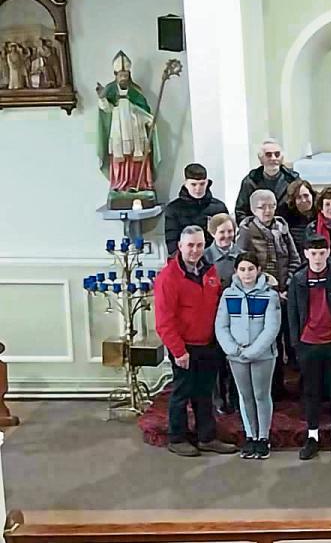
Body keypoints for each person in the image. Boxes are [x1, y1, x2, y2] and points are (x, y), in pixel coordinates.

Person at [154, 226, 237, 457]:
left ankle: (206, 436)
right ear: (180, 246)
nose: (195, 250)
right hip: (184, 347)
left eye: (199, 245)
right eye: (190, 245)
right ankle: (177, 437)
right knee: (181, 393)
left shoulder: (209, 271)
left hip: (208, 344)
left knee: (205, 393)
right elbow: (164, 321)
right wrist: (179, 352)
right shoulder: (168, 278)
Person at [289, 235, 331, 461]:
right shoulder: (298, 280)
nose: (317, 258)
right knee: (311, 391)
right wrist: (296, 344)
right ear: (306, 254)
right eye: (313, 253)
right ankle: (313, 435)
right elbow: (292, 316)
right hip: (309, 343)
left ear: (328, 253)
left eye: (321, 253)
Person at [215, 252, 281, 459]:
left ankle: (263, 437)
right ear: (236, 271)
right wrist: (232, 349)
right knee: (245, 396)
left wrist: (253, 351)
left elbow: (272, 328)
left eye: (251, 269)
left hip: (262, 356)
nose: (247, 274)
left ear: (259, 270)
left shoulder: (269, 295)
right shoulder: (228, 295)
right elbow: (221, 325)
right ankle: (250, 436)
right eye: (242, 269)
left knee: (261, 395)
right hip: (237, 355)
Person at [96, 51, 156, 199]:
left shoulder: (136, 90)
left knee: (138, 155)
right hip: (118, 128)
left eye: (126, 75)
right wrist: (102, 98)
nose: (123, 78)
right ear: (115, 74)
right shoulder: (110, 89)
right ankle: (120, 185)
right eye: (120, 75)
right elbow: (107, 109)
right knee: (120, 156)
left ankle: (140, 183)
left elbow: (143, 109)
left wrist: (149, 119)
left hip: (136, 127)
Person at [204, 212, 244, 415]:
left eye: (230, 231)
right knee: (217, 361)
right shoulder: (205, 258)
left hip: (237, 316)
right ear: (213, 233)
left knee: (236, 359)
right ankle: (219, 399)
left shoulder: (242, 254)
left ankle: (237, 399)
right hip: (214, 315)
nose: (227, 236)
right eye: (222, 232)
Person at [236, 190, 301, 297]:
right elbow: (243, 266)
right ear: (253, 210)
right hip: (258, 291)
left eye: (272, 206)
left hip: (286, 290)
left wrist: (288, 285)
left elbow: (294, 259)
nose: (268, 211)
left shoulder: (282, 228)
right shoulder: (246, 231)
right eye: (262, 207)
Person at [164, 163, 229, 253]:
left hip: (215, 259)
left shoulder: (219, 208)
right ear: (185, 183)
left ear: (207, 183)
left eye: (202, 184)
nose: (198, 189)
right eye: (193, 184)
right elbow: (172, 243)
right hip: (186, 259)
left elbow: (227, 238)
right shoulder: (173, 209)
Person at [235, 138, 300, 222]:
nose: (273, 158)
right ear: (261, 159)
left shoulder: (293, 180)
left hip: (288, 230)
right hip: (257, 231)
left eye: (277, 154)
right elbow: (241, 212)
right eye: (268, 155)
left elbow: (301, 211)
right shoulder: (250, 182)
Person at [281, 179, 317, 263]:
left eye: (306, 195)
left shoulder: (321, 215)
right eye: (299, 197)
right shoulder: (287, 219)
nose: (304, 200)